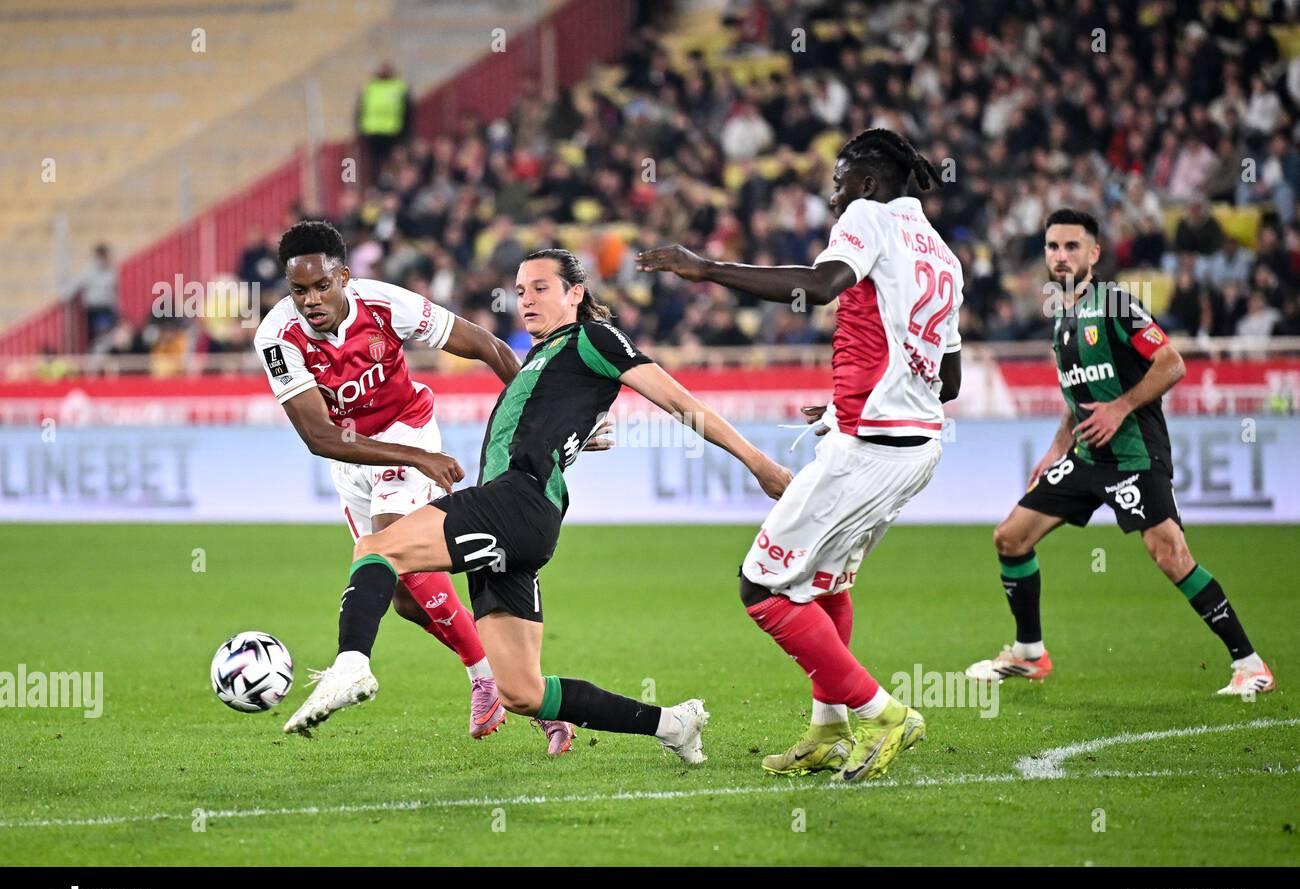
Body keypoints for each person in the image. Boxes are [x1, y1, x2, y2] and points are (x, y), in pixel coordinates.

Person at [284, 249, 792, 767]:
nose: (526, 299)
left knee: (377, 549)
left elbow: (683, 403)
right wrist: (574, 429)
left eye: (542, 288)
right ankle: (673, 724)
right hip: (520, 522)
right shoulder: (541, 358)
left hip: (515, 502)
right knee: (521, 692)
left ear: (576, 293)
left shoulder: (592, 338)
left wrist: (758, 462)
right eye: (521, 290)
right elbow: (552, 412)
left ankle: (352, 664)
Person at [637, 128, 964, 783]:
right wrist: (848, 401)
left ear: (868, 184)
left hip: (870, 451)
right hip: (914, 444)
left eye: (841, 179)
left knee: (760, 586)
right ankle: (828, 730)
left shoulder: (867, 218)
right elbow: (947, 381)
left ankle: (885, 712)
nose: (833, 191)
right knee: (826, 582)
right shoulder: (942, 254)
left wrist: (707, 268)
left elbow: (820, 285)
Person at [965, 209, 1274, 696]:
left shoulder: (1115, 304)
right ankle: (1030, 653)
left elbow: (1171, 364)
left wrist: (1120, 408)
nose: (1060, 257)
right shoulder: (1062, 318)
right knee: (1010, 537)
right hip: (1087, 458)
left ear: (1094, 253)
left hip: (1133, 456)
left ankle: (1250, 664)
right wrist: (1055, 449)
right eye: (1052, 247)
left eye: (1071, 247)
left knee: (1170, 555)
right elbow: (1078, 399)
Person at [254, 220, 533, 746]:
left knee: (385, 547)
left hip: (406, 427)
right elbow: (320, 435)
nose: (310, 301)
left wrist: (537, 415)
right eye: (298, 291)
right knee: (406, 598)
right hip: (352, 456)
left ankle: (351, 665)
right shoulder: (276, 337)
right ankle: (495, 681)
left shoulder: (384, 304)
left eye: (321, 286)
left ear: (343, 277)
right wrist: (413, 459)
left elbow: (487, 346)